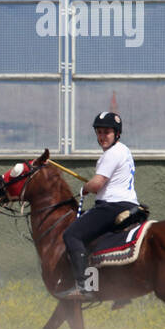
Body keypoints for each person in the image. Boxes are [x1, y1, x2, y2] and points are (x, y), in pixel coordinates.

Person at [57, 111, 139, 301]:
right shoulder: (124, 150)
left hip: (112, 206)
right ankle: (118, 290)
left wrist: (84, 188)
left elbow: (96, 185)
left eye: (107, 132)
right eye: (99, 132)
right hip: (129, 203)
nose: (102, 136)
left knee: (72, 234)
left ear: (116, 133)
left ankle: (85, 287)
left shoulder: (111, 154)